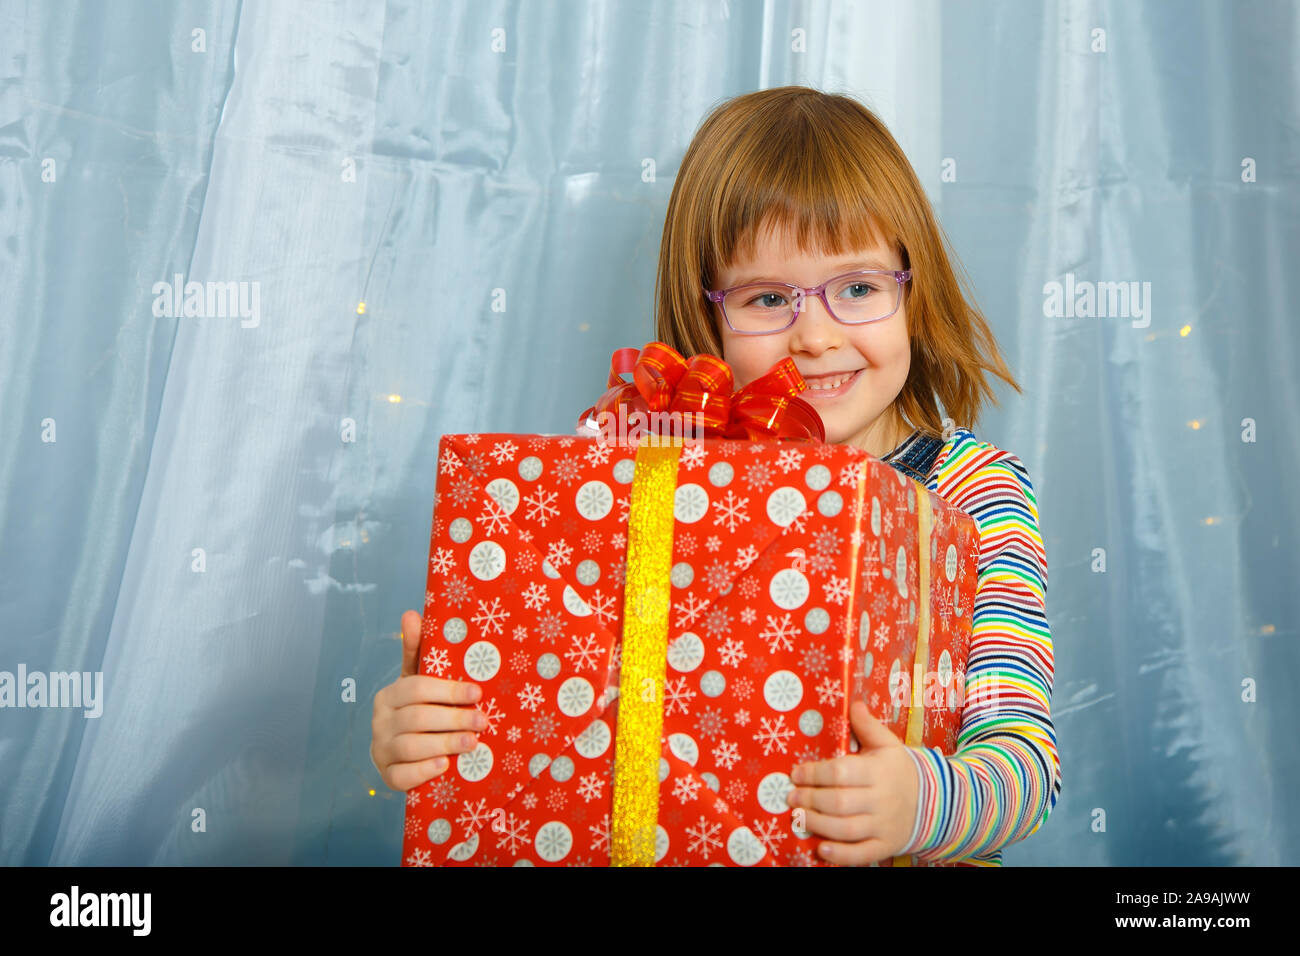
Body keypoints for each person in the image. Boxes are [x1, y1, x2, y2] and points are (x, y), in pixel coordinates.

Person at [373, 85, 1060, 866]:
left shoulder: (976, 493)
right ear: (707, 317)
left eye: (859, 288)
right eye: (769, 298)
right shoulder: (653, 484)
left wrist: (920, 804)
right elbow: (573, 712)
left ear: (913, 288)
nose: (817, 336)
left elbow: (1027, 767)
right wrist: (443, 729)